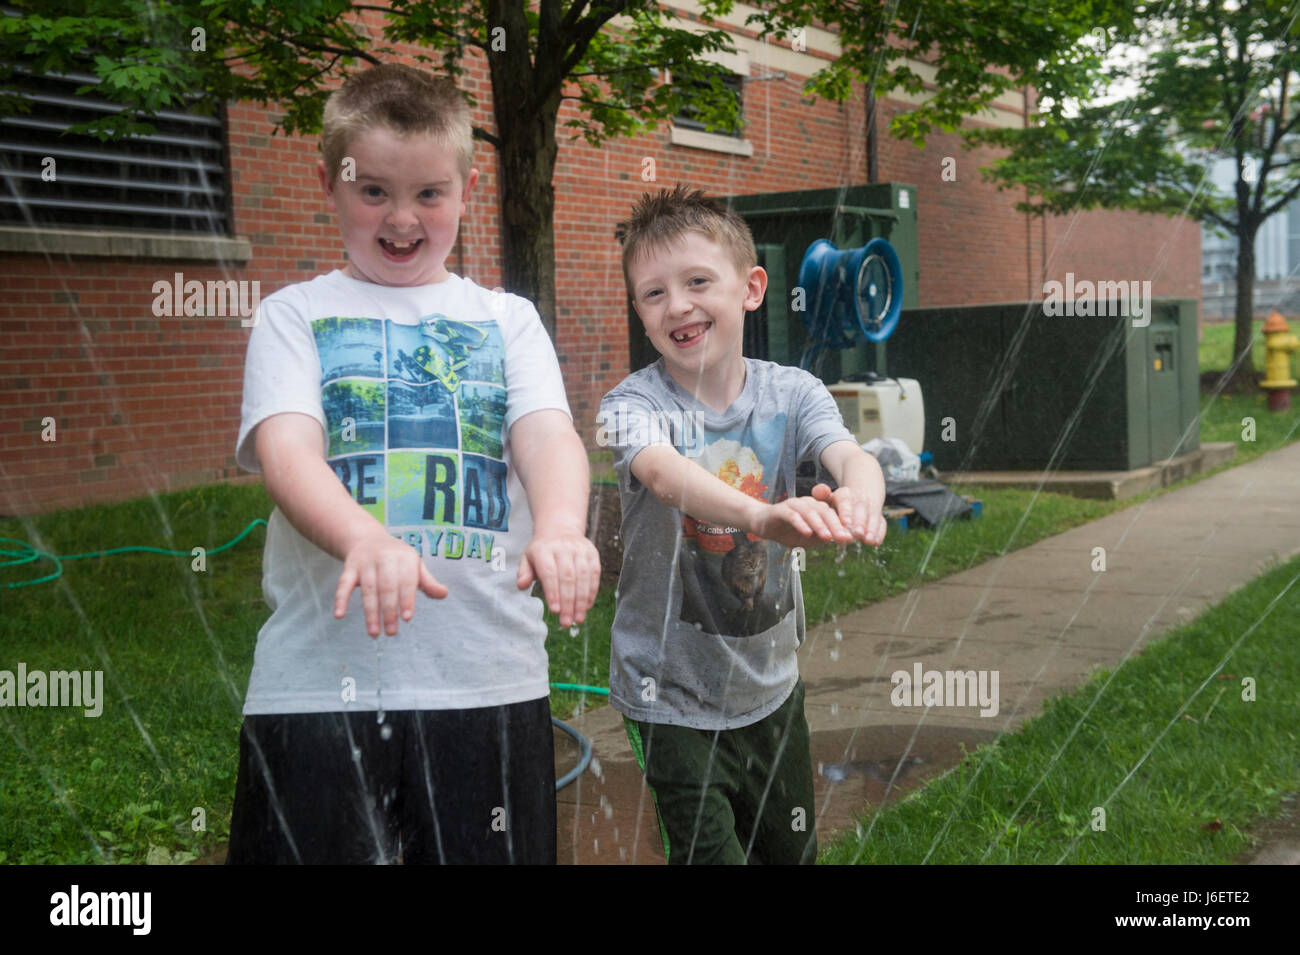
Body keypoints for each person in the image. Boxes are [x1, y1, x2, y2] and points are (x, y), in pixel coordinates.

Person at [227, 63, 599, 864]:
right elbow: (286, 449)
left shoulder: (507, 321)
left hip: (487, 684)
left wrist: (564, 525)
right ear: (328, 183)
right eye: (374, 193)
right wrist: (361, 537)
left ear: (468, 188)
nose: (403, 218)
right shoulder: (296, 315)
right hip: (316, 689)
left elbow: (546, 436)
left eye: (430, 193)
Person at [599, 185, 887, 864]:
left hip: (771, 691)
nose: (678, 305)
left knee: (792, 855)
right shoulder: (630, 404)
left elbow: (851, 455)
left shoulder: (793, 393)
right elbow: (667, 476)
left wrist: (861, 498)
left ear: (752, 288)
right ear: (640, 312)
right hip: (667, 698)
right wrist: (761, 513)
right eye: (653, 293)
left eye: (698, 281)